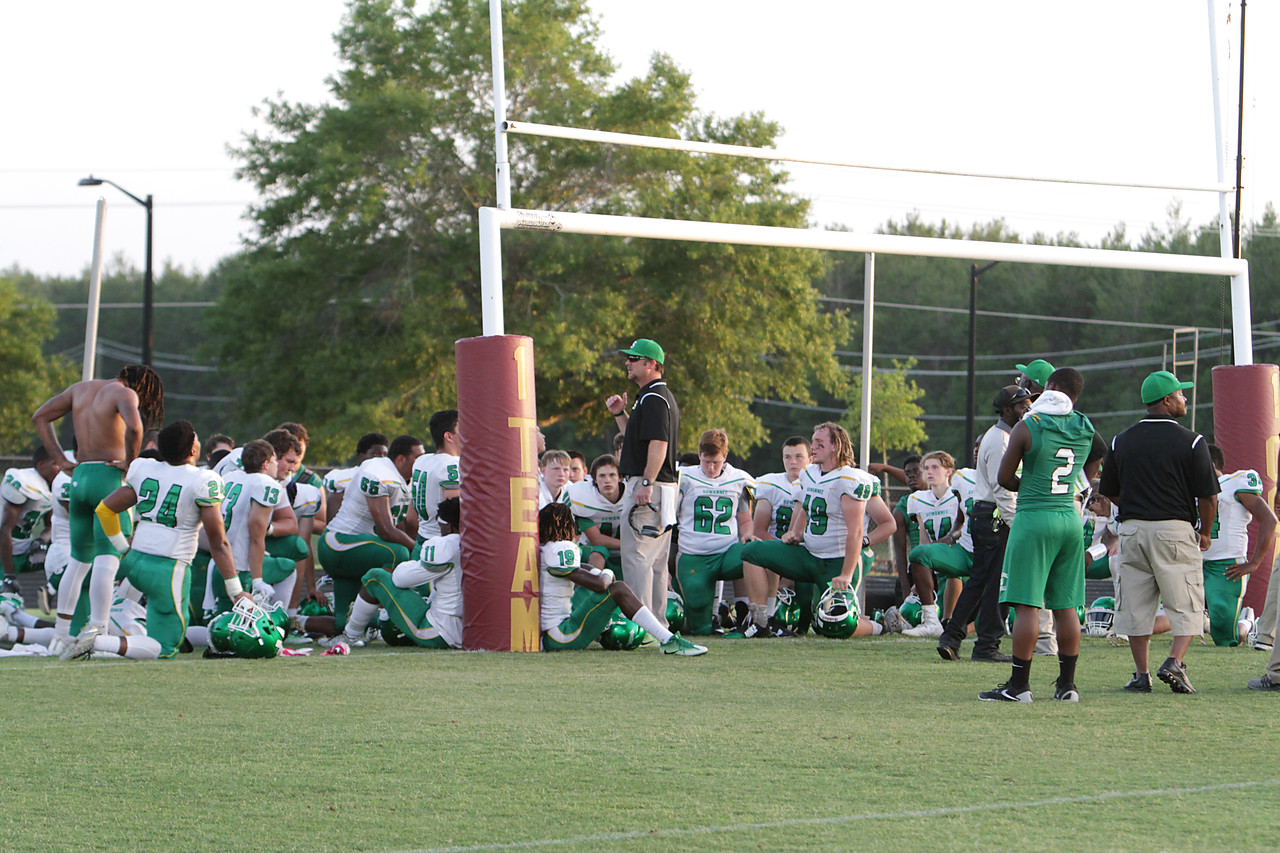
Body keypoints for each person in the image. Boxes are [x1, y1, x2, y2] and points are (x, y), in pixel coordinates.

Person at [978, 368, 1102, 702]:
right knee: (1066, 605)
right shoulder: (1084, 425)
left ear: (1050, 388)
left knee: (1027, 604)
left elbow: (1004, 478)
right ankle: (1067, 685)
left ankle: (1019, 686)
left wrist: (1031, 485)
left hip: (1034, 516)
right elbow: (1095, 457)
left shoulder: (1027, 425)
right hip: (1069, 518)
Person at [68, 420, 238, 660]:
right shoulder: (203, 479)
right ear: (192, 449)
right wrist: (236, 590)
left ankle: (97, 639)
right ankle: (98, 642)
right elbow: (218, 542)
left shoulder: (145, 468)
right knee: (164, 648)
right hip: (169, 568)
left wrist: (122, 548)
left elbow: (104, 509)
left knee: (148, 623)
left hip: (134, 561)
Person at [1098, 370, 1219, 695]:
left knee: (1136, 606)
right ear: (1166, 400)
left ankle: (1142, 675)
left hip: (1132, 530)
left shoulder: (1121, 440)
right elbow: (1208, 496)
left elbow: (1111, 491)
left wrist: (1137, 506)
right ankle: (1175, 662)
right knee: (1187, 602)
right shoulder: (1192, 440)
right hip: (1174, 529)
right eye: (1180, 394)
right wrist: (1205, 532)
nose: (1184, 398)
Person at [32, 363, 165, 655]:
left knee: (79, 561)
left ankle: (61, 636)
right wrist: (130, 462)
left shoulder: (79, 389)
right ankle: (99, 634)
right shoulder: (124, 393)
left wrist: (60, 459)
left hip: (80, 476)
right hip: (109, 476)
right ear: (141, 385)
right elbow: (135, 427)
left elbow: (40, 417)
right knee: (107, 559)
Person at [740, 422, 895, 638]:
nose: (813, 447)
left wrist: (846, 574)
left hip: (836, 561)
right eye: (813, 442)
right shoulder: (809, 473)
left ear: (835, 446)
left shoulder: (849, 479)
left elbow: (856, 532)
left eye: (819, 443)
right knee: (751, 551)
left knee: (836, 625)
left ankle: (881, 625)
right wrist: (795, 532)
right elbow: (807, 505)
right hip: (809, 555)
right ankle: (760, 620)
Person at [937, 385, 1031, 663]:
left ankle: (951, 637)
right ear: (1007, 409)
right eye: (1022, 405)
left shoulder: (1000, 435)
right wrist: (1016, 524)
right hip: (996, 516)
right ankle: (986, 645)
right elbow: (1002, 488)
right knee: (998, 585)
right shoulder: (1002, 440)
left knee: (980, 581)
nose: (1028, 409)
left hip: (986, 514)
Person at [537, 502, 706, 655]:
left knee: (608, 587)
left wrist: (600, 573)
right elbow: (599, 584)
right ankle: (668, 640)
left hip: (554, 632)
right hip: (562, 635)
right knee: (618, 588)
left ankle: (660, 637)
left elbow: (582, 569)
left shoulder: (547, 550)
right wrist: (608, 573)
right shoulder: (560, 549)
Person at [606, 338, 679, 629]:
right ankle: (657, 626)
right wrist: (619, 414)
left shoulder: (655, 398)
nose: (628, 362)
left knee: (637, 559)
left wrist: (647, 482)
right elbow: (637, 441)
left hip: (651, 484)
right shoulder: (652, 396)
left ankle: (642, 626)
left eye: (634, 358)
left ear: (651, 364)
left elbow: (658, 444)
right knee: (656, 563)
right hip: (661, 486)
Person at [318, 434, 423, 629]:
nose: (422, 462)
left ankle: (297, 622)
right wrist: (419, 550)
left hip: (356, 549)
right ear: (401, 459)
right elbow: (386, 531)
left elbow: (401, 525)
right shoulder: (379, 473)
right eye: (418, 457)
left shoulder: (402, 479)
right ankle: (385, 612)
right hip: (339, 544)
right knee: (397, 553)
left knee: (342, 622)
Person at [346, 497, 464, 649]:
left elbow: (400, 579)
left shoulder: (448, 545)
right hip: (466, 631)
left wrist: (408, 564)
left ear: (448, 526)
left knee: (375, 577)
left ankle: (350, 635)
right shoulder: (479, 543)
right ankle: (372, 625)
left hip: (439, 632)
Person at [671, 429, 757, 636]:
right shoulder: (684, 478)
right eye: (706, 461)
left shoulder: (738, 479)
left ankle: (755, 617)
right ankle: (704, 617)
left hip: (726, 553)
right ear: (699, 455)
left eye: (716, 462)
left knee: (758, 554)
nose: (710, 468)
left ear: (725, 456)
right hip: (693, 555)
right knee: (699, 629)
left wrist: (747, 534)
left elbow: (745, 519)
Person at [1200, 444, 1275, 647]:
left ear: (1209, 463)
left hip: (1225, 564)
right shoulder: (1190, 486)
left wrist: (1254, 563)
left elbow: (1269, 520)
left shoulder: (1234, 483)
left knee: (1226, 639)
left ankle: (1248, 623)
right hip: (1194, 561)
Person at [900, 451, 964, 639]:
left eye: (935, 467)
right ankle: (934, 623)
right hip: (937, 561)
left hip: (959, 557)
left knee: (953, 574)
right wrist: (921, 571)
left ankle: (948, 622)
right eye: (926, 468)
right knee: (919, 554)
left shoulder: (958, 495)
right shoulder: (917, 499)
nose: (929, 472)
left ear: (949, 471)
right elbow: (923, 539)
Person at [1, 446, 59, 590]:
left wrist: (41, 540)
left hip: (26, 550)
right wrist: (9, 575)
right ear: (41, 465)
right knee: (7, 599)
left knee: (69, 549)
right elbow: (5, 530)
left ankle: (50, 590)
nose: (60, 468)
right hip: (4, 555)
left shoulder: (53, 487)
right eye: (55, 464)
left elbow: (51, 525)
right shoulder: (25, 482)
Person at [410, 410, 461, 543]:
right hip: (443, 543)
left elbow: (410, 517)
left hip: (422, 538)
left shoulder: (422, 461)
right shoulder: (452, 465)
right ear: (448, 436)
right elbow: (453, 517)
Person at [568, 454, 625, 574]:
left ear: (620, 477)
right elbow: (596, 539)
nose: (607, 480)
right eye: (602, 476)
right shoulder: (583, 498)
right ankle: (592, 585)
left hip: (625, 552)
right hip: (592, 549)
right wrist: (630, 545)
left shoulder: (632, 495)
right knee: (599, 553)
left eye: (612, 475)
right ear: (594, 479)